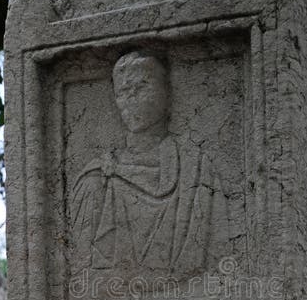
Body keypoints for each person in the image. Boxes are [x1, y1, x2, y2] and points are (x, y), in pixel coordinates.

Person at [71, 51, 229, 280]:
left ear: (167, 93)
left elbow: (221, 262)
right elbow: (82, 276)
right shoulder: (95, 180)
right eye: (123, 92)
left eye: (141, 87)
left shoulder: (196, 169)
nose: (131, 99)